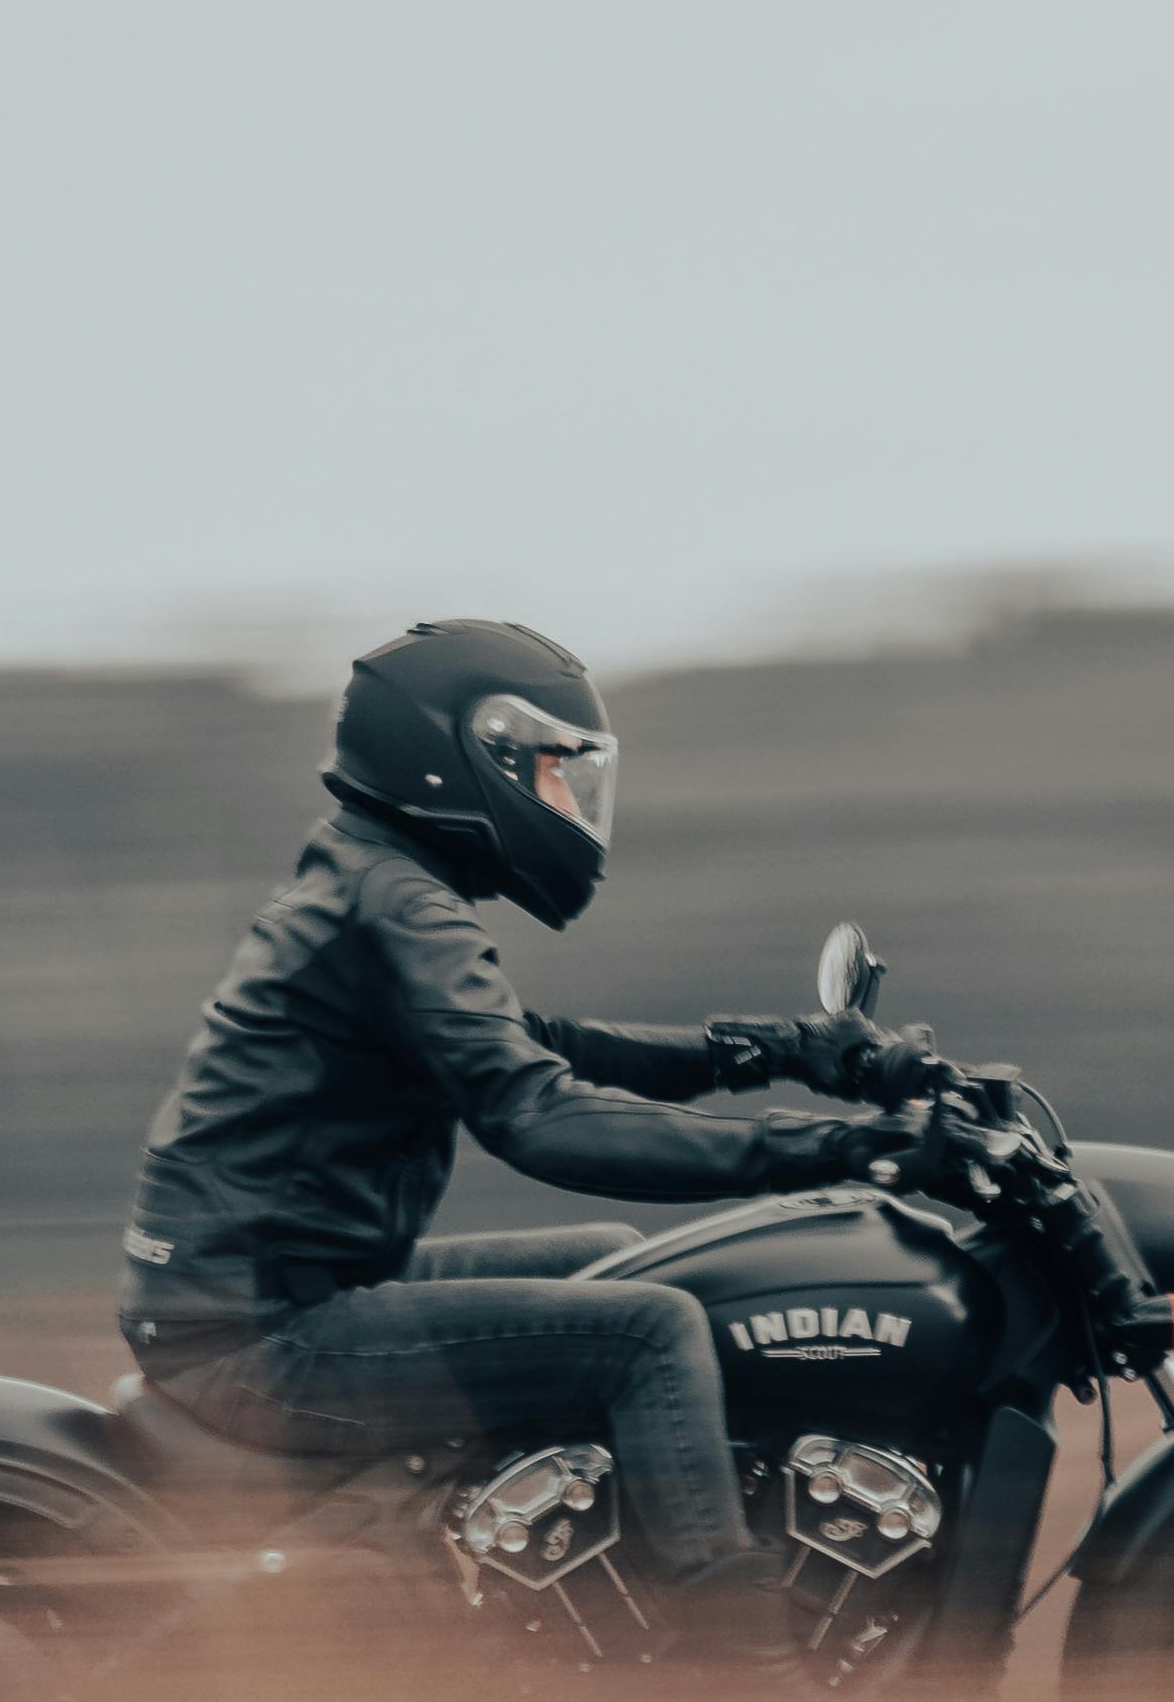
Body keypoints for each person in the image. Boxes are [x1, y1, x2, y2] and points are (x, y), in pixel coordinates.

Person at [115, 618, 915, 1645]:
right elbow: (536, 1115)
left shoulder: (371, 879)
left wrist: (779, 1051)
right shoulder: (400, 905)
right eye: (548, 776)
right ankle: (738, 1664)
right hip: (262, 1338)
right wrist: (834, 1150)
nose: (567, 804)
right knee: (650, 1329)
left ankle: (576, 1605)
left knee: (626, 1268)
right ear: (458, 758)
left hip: (257, 1297)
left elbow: (540, 1045)